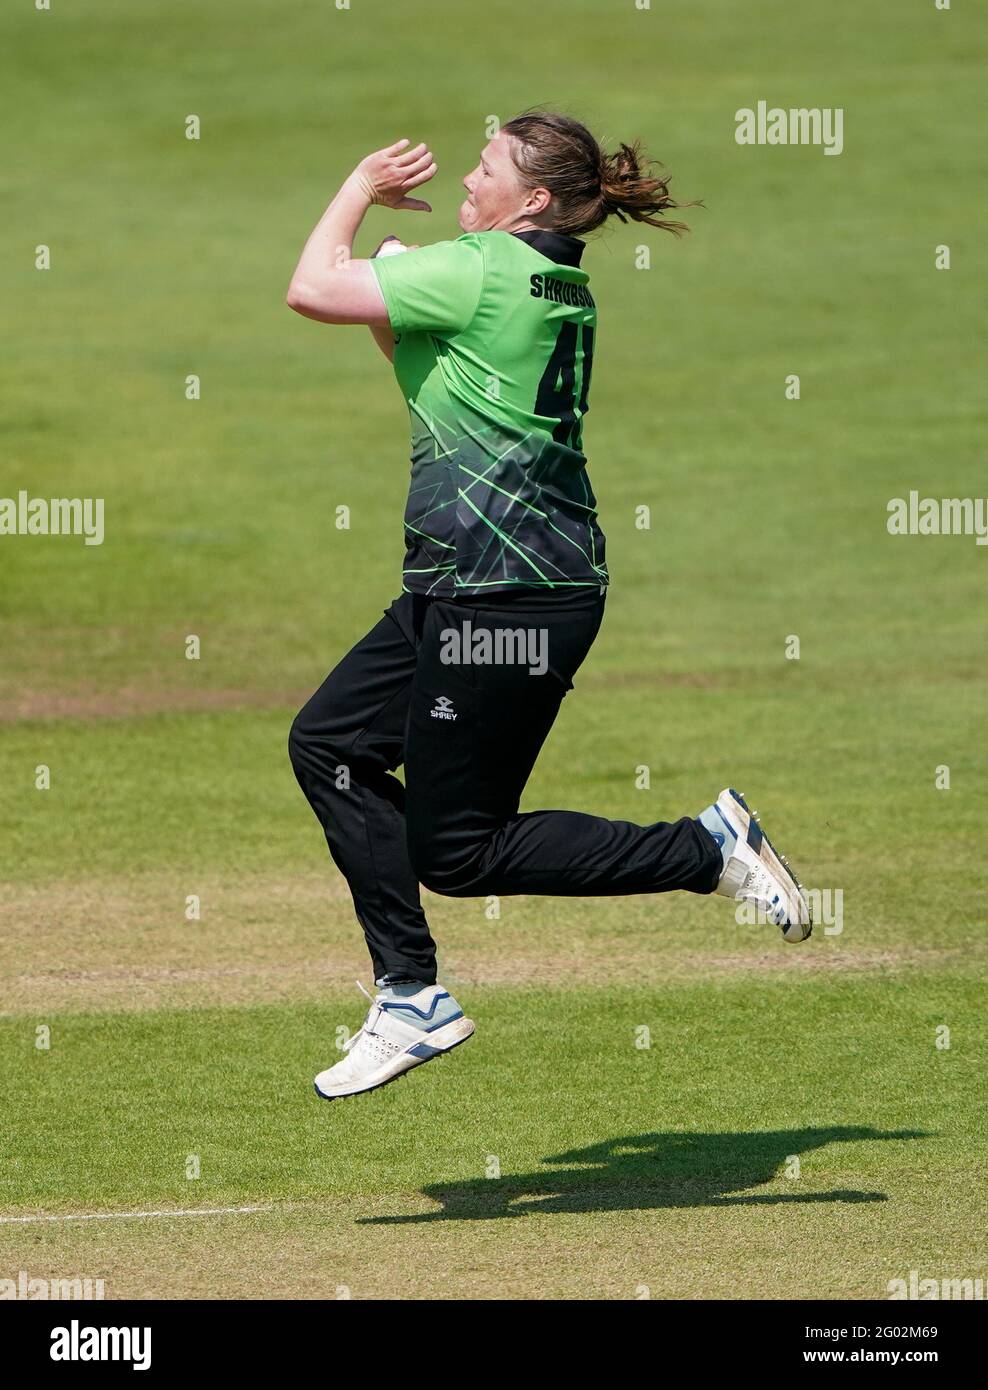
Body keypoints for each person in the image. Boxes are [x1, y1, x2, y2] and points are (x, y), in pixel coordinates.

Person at [285, 110, 811, 1101]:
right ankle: (409, 995)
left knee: (460, 849)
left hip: (508, 597)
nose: (469, 183)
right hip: (464, 583)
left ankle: (706, 847)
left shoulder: (481, 268)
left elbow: (311, 288)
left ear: (531, 199)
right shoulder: (549, 280)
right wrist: (400, 283)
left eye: (485, 170)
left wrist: (359, 187)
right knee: (329, 743)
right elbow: (432, 373)